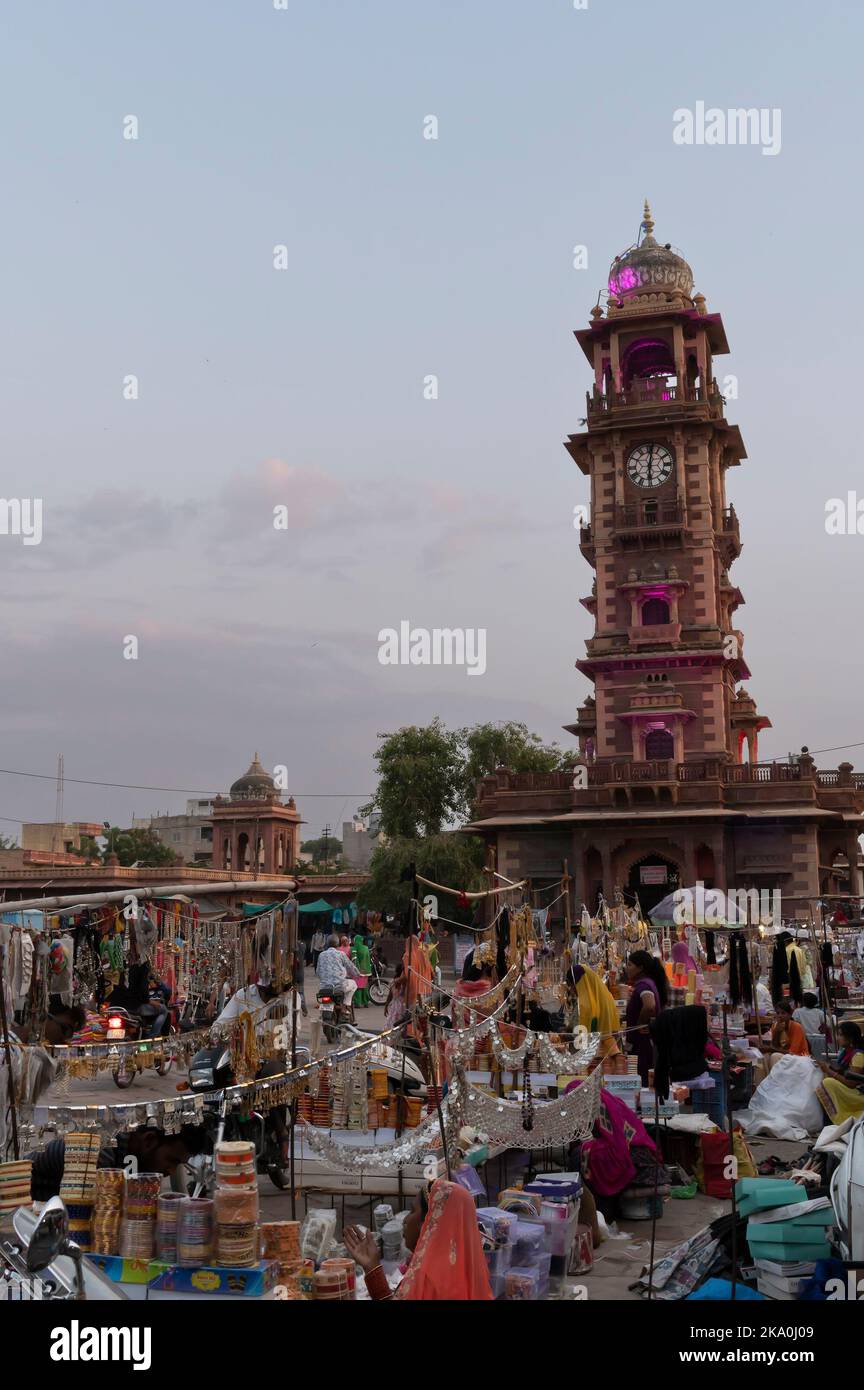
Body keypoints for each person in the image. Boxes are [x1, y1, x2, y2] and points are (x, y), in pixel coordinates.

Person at [343, 1180, 493, 1300]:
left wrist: (373, 1269)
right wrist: (372, 1267)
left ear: (430, 1223)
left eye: (413, 1211)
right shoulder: (468, 1271)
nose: (405, 1220)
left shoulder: (429, 1278)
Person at [30, 1124, 207, 1202]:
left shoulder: (129, 1156)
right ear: (149, 1141)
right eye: (172, 1161)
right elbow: (102, 1209)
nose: (171, 1170)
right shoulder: (100, 1151)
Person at [625, 949, 668, 1086]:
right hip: (643, 1041)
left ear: (640, 968)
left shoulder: (644, 984)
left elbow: (649, 1006)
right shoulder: (647, 982)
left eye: (630, 965)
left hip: (642, 1043)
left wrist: (640, 1024)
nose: (627, 968)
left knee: (643, 1080)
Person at [815, 1021, 864, 1125]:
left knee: (828, 1082)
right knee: (824, 1077)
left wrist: (829, 1071)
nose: (838, 1038)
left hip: (859, 1095)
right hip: (852, 1090)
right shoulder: (846, 1052)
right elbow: (842, 1071)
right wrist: (828, 1068)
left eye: (841, 1035)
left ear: (850, 1038)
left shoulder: (858, 1055)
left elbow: (852, 1083)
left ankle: (835, 1120)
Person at [753, 999, 810, 1084]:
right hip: (783, 1055)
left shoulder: (796, 1027)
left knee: (775, 1056)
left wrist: (770, 1049)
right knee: (762, 1057)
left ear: (789, 1014)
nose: (780, 1016)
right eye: (778, 1013)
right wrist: (777, 1032)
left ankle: (777, 1085)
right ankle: (762, 1086)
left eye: (783, 1013)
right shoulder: (775, 1025)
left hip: (800, 1057)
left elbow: (792, 1052)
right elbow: (774, 1046)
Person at [316, 933, 362, 1006]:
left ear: (327, 944)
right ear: (337, 944)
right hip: (339, 986)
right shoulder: (341, 954)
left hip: (324, 987)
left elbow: (318, 972)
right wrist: (358, 974)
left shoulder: (321, 955)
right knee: (354, 984)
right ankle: (346, 1005)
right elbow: (350, 966)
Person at [351, 933, 372, 1008]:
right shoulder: (366, 948)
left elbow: (354, 960)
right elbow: (368, 960)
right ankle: (365, 1002)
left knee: (358, 987)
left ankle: (358, 1003)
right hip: (366, 971)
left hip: (358, 971)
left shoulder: (354, 948)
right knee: (364, 987)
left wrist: (356, 970)